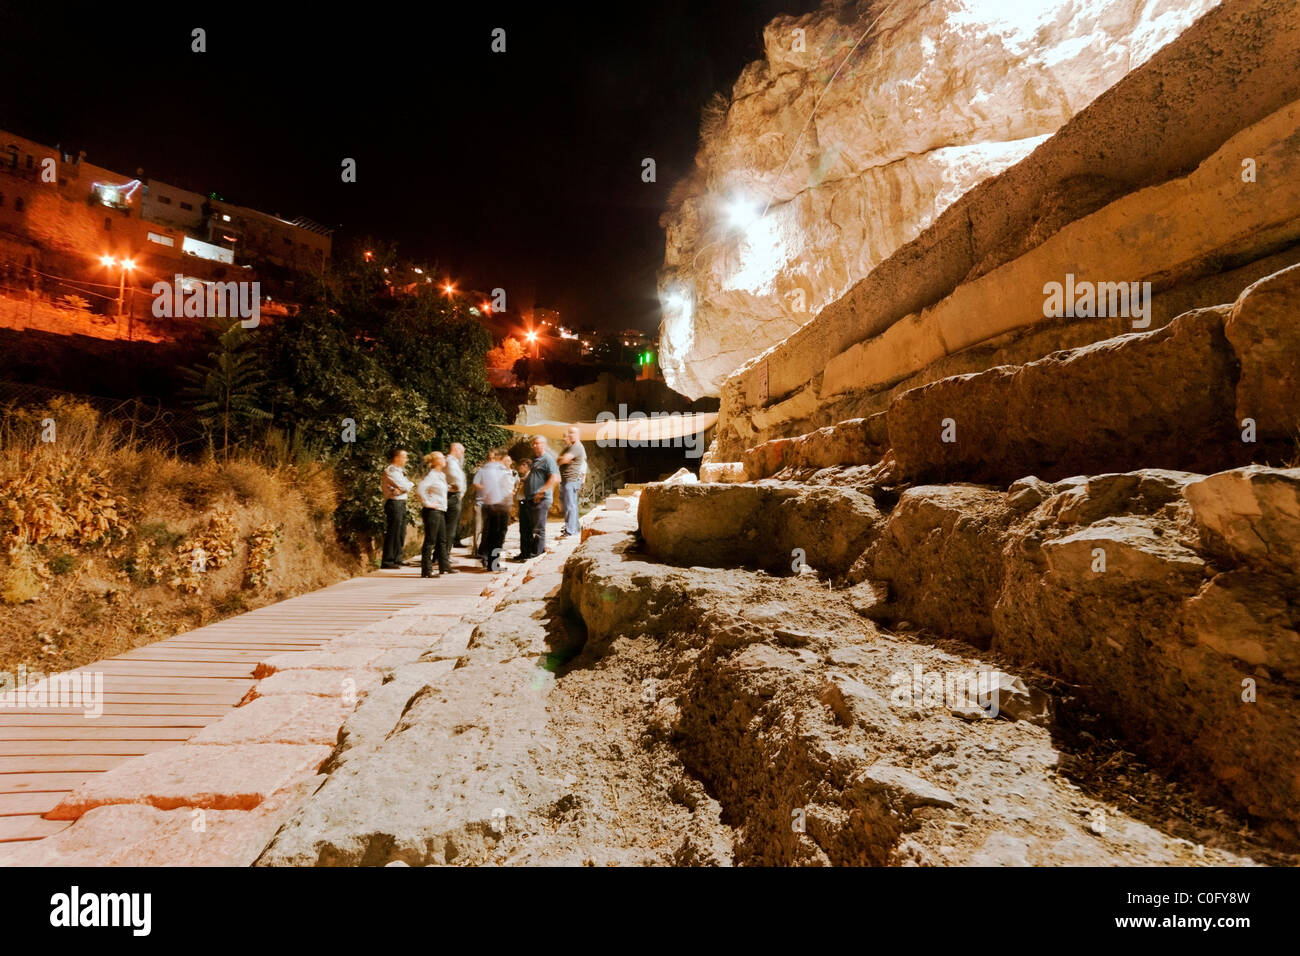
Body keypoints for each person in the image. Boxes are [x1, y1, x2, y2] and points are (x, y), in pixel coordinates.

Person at [511, 435, 560, 561]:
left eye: (536, 443)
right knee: (525, 528)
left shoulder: (548, 459)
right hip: (529, 500)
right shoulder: (535, 460)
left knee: (538, 528)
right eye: (533, 443)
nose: (534, 446)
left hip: (541, 500)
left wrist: (542, 491)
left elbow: (555, 478)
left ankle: (536, 555)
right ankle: (525, 553)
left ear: (543, 444)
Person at [416, 451, 455, 577]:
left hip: (440, 510)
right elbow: (420, 489)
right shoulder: (432, 475)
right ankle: (426, 570)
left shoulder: (440, 475)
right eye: (442, 458)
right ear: (436, 461)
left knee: (442, 540)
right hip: (432, 511)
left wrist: (449, 488)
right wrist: (428, 503)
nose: (445, 460)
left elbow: (437, 489)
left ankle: (444, 567)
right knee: (430, 541)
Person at [473, 449, 513, 571]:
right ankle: (494, 563)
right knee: (499, 536)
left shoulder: (485, 470)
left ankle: (490, 562)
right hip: (501, 506)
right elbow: (506, 489)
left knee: (490, 534)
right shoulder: (500, 471)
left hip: (489, 506)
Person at [380, 447, 413, 569]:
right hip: (394, 503)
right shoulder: (391, 470)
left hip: (401, 503)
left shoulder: (399, 471)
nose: (406, 459)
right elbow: (404, 485)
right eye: (404, 457)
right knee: (393, 532)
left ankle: (397, 558)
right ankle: (388, 561)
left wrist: (405, 486)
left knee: (400, 532)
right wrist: (404, 486)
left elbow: (408, 485)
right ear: (397, 457)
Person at [556, 425, 587, 539]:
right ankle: (574, 528)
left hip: (571, 480)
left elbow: (563, 459)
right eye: (569, 433)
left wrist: (562, 459)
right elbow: (560, 460)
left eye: (572, 433)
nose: (569, 435)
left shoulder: (577, 447)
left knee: (570, 506)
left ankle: (570, 531)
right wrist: (561, 459)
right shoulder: (571, 447)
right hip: (567, 480)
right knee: (569, 506)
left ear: (578, 435)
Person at [445, 442, 467, 550]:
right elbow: (456, 478)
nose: (463, 454)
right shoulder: (450, 461)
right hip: (452, 496)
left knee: (451, 528)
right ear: (455, 450)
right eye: (462, 451)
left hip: (456, 496)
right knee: (449, 528)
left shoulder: (455, 462)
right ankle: (444, 555)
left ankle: (443, 555)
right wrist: (459, 487)